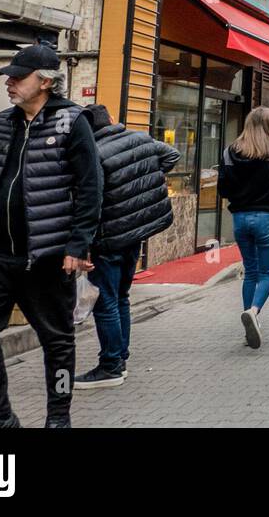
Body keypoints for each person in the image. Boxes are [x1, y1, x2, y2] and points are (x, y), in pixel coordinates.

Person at [0, 43, 102, 428]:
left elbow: (89, 188)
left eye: (19, 76)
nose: (10, 82)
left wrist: (78, 243)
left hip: (47, 257)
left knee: (58, 341)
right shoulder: (2, 122)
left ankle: (58, 418)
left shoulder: (72, 121)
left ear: (46, 81)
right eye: (9, 76)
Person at [73, 104, 179, 389]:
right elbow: (172, 155)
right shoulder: (141, 139)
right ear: (111, 120)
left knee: (105, 300)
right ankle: (120, 357)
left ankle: (111, 365)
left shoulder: (92, 152)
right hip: (136, 234)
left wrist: (82, 245)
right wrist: (148, 179)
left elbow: (91, 200)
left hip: (108, 236)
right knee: (121, 296)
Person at [218, 107, 269, 350]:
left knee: (250, 272)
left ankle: (249, 320)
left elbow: (223, 189)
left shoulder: (230, 151)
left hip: (240, 218)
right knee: (267, 273)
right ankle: (254, 312)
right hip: (266, 217)